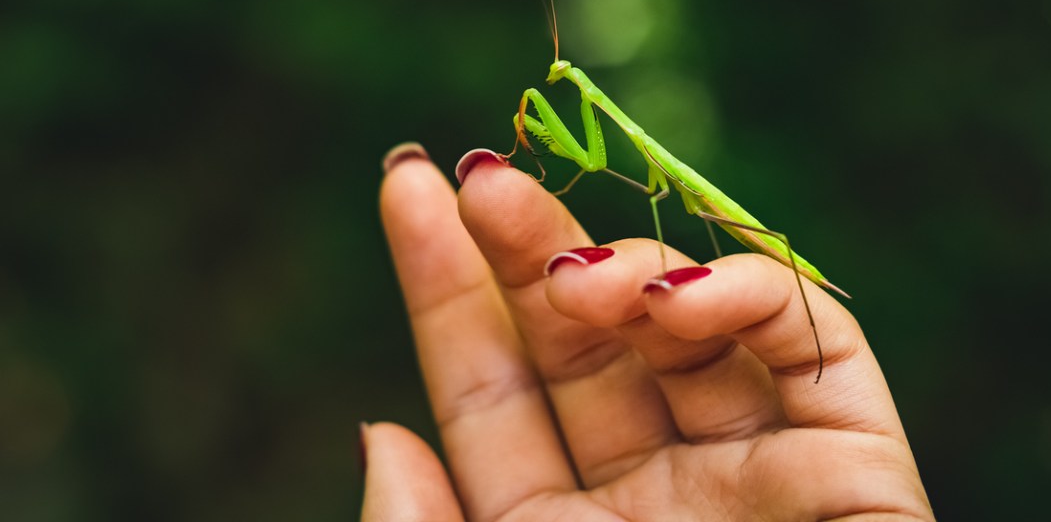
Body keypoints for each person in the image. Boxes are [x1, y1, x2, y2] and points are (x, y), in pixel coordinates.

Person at [363, 142, 935, 521]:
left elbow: (637, 185)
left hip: (750, 234)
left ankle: (796, 303)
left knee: (764, 242)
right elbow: (596, 162)